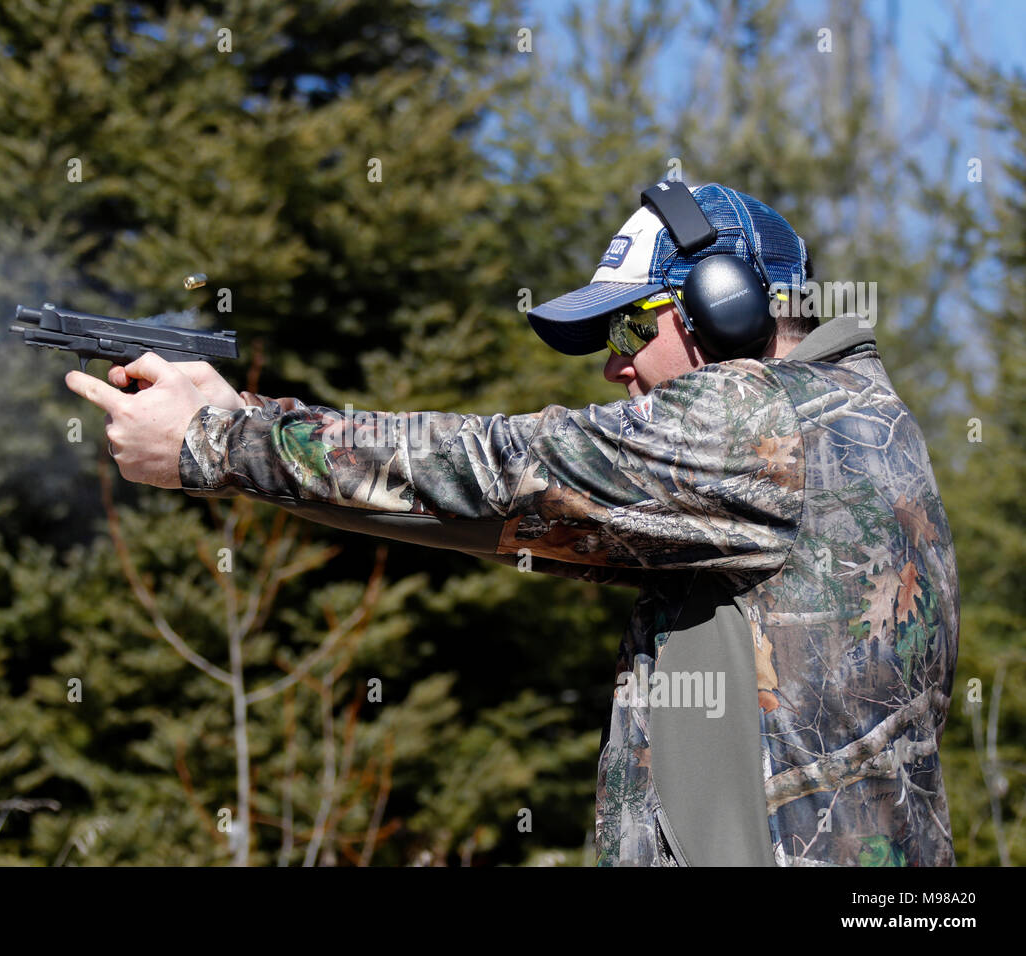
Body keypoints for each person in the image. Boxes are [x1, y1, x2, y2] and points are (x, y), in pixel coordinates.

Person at [65, 182, 959, 867]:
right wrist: (242, 432)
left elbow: (500, 468)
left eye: (627, 332)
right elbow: (505, 517)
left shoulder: (768, 419)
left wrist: (221, 442)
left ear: (726, 309)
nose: (615, 369)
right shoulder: (845, 428)